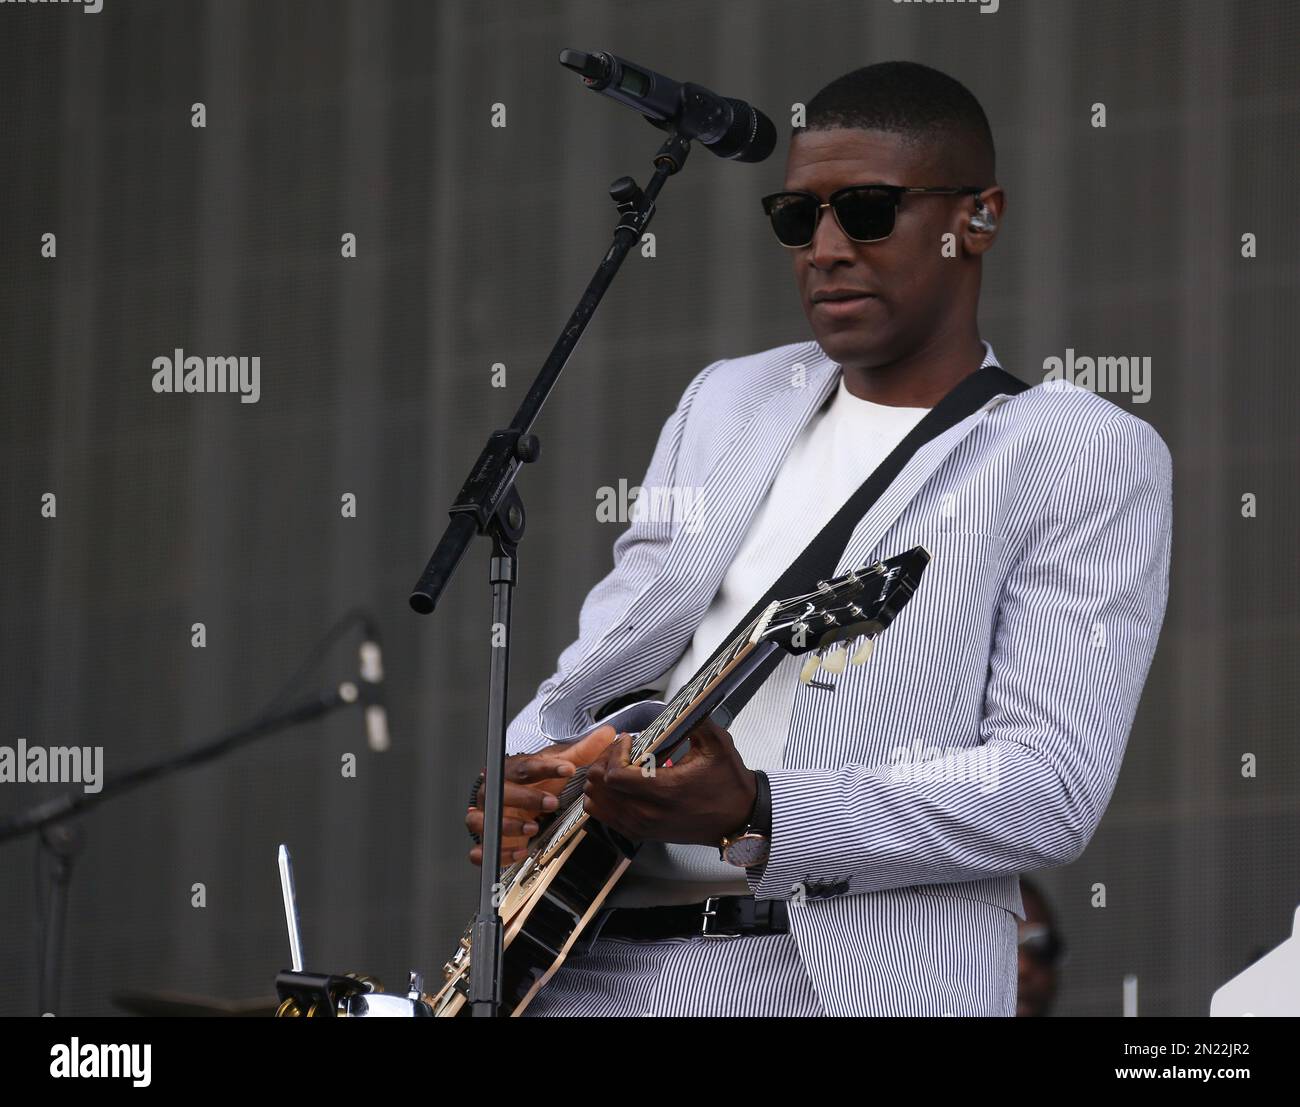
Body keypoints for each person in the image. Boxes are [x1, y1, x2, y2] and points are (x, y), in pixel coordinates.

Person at [466, 60, 1172, 1016]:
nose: (826, 248)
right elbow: (596, 666)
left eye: (868, 211)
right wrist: (533, 771)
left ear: (979, 218)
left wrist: (760, 808)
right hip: (572, 960)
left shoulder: (1076, 451)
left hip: (824, 981)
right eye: (798, 219)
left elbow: (1047, 785)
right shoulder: (725, 401)